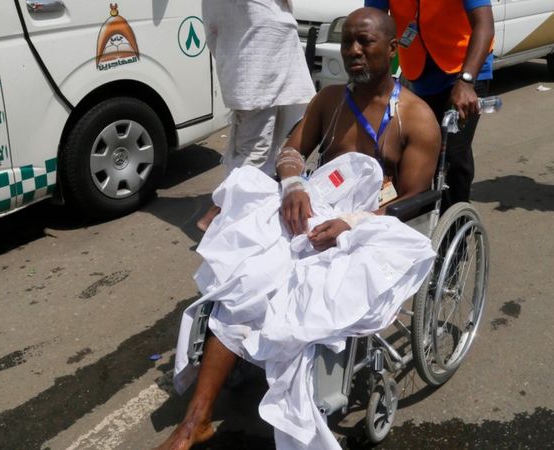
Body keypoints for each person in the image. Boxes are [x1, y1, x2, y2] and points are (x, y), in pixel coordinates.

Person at [155, 8, 441, 450]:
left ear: (392, 47)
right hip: (314, 212)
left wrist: (352, 222)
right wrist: (291, 184)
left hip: (373, 229)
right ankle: (196, 420)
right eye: (347, 42)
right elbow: (291, 152)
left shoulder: (416, 119)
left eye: (365, 41)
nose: (353, 52)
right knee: (246, 280)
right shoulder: (328, 101)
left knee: (305, 298)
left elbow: (413, 203)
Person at [195, 0, 315, 232]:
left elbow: (213, 23)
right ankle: (219, 212)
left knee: (264, 144)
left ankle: (247, 209)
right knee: (256, 149)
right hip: (261, 45)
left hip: (248, 48)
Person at [365, 0, 495, 206]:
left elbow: (485, 25)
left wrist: (467, 80)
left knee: (451, 154)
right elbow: (372, 23)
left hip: (466, 70)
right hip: (419, 72)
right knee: (408, 150)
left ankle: (455, 226)